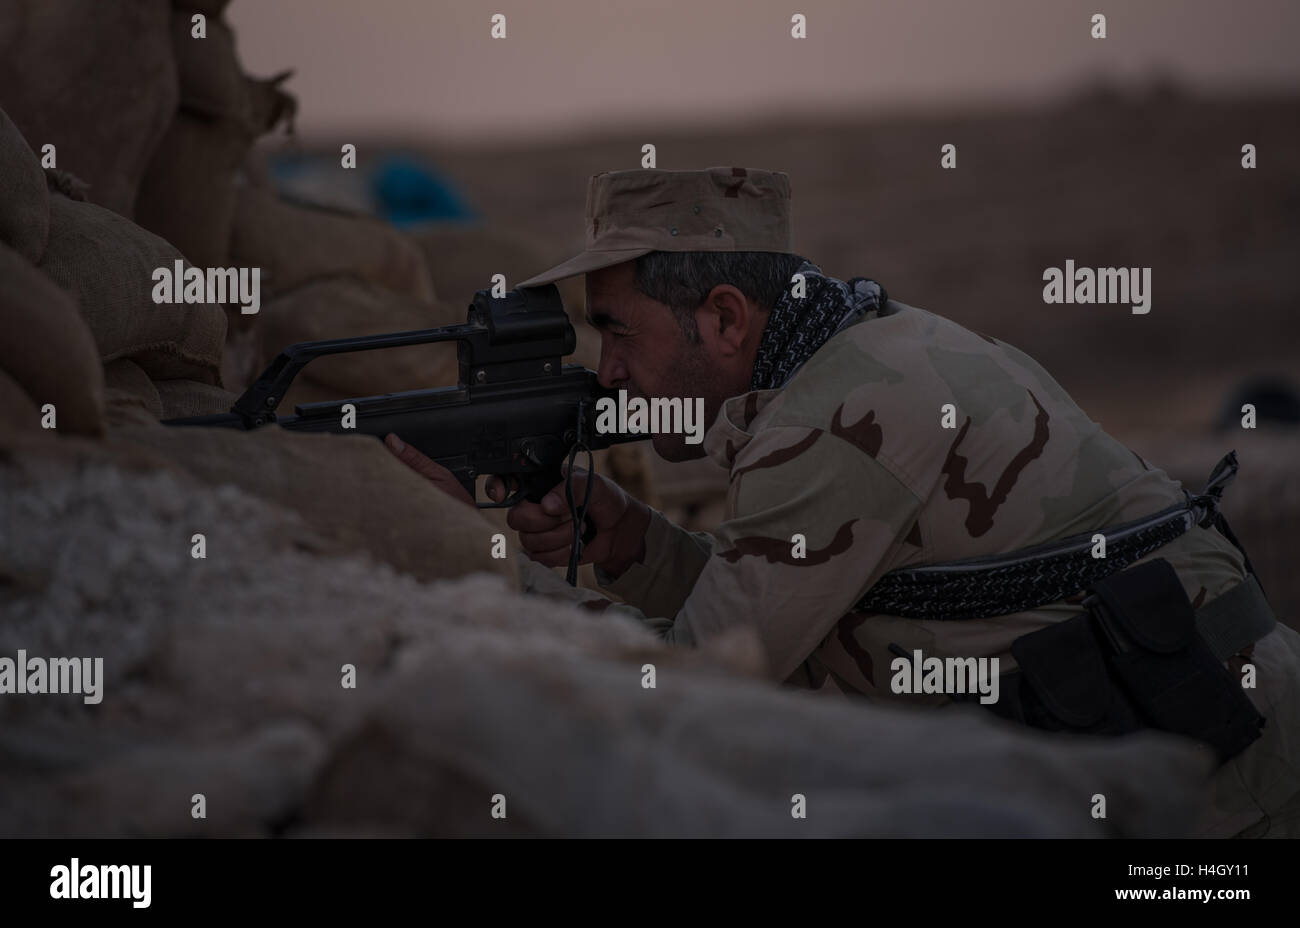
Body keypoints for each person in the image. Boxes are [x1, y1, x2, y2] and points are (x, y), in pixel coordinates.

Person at [386, 166, 1300, 837]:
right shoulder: (859, 347)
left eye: (618, 330)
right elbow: (788, 603)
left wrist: (477, 561)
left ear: (727, 318)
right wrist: (634, 546)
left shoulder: (833, 423)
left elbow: (696, 685)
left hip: (1234, 783)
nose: (609, 370)